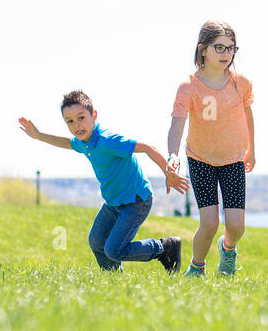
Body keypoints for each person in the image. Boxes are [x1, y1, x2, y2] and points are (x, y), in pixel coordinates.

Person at [18, 90, 187, 272]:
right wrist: (39, 135)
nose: (77, 125)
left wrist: (168, 173)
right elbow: (68, 143)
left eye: (81, 118)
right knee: (96, 242)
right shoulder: (83, 142)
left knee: (114, 250)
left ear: (94, 115)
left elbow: (148, 148)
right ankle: (113, 279)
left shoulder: (108, 141)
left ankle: (164, 248)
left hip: (137, 201)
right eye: (70, 121)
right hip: (114, 202)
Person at [167, 21, 255, 277]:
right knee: (209, 223)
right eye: (219, 47)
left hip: (233, 160)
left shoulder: (241, 84)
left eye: (231, 48)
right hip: (200, 159)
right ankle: (197, 267)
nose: (226, 54)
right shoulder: (188, 86)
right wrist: (172, 156)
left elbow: (249, 117)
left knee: (236, 226)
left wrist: (252, 149)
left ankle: (228, 249)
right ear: (202, 49)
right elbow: (176, 125)